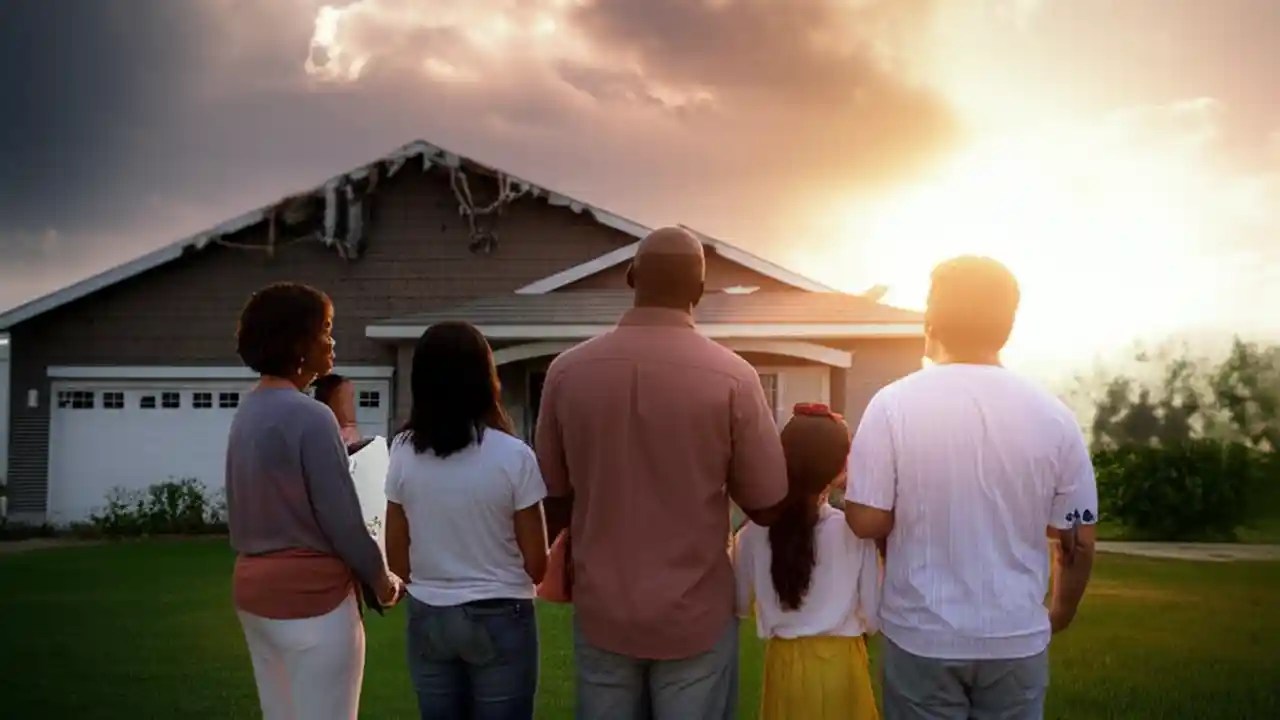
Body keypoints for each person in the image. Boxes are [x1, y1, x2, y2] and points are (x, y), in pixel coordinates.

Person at [535, 226, 789, 720]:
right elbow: (767, 500)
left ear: (631, 277)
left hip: (602, 605)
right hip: (694, 609)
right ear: (698, 292)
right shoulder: (733, 376)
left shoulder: (567, 372)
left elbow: (552, 496)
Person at [845, 256, 1098, 720]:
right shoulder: (1054, 416)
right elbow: (1078, 537)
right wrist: (1058, 612)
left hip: (922, 634)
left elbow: (867, 520)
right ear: (1008, 324)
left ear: (931, 319)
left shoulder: (892, 405)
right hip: (1015, 635)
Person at [226, 282, 403, 720]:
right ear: (297, 343)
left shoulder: (247, 411)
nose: (332, 340)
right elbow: (342, 520)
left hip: (254, 593)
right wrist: (382, 581)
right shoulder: (312, 416)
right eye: (325, 330)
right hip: (313, 601)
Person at [384, 321, 549, 720]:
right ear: (484, 378)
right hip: (500, 614)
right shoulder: (514, 456)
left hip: (430, 615)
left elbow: (398, 561)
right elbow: (537, 564)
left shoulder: (403, 451)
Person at [734, 403, 880, 720]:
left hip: (784, 667)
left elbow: (739, 603)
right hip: (842, 667)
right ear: (840, 468)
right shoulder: (854, 533)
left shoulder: (753, 534)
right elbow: (873, 615)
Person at [313, 373, 363, 446]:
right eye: (345, 399)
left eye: (351, 398)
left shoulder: (350, 432)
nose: (351, 406)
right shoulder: (321, 435)